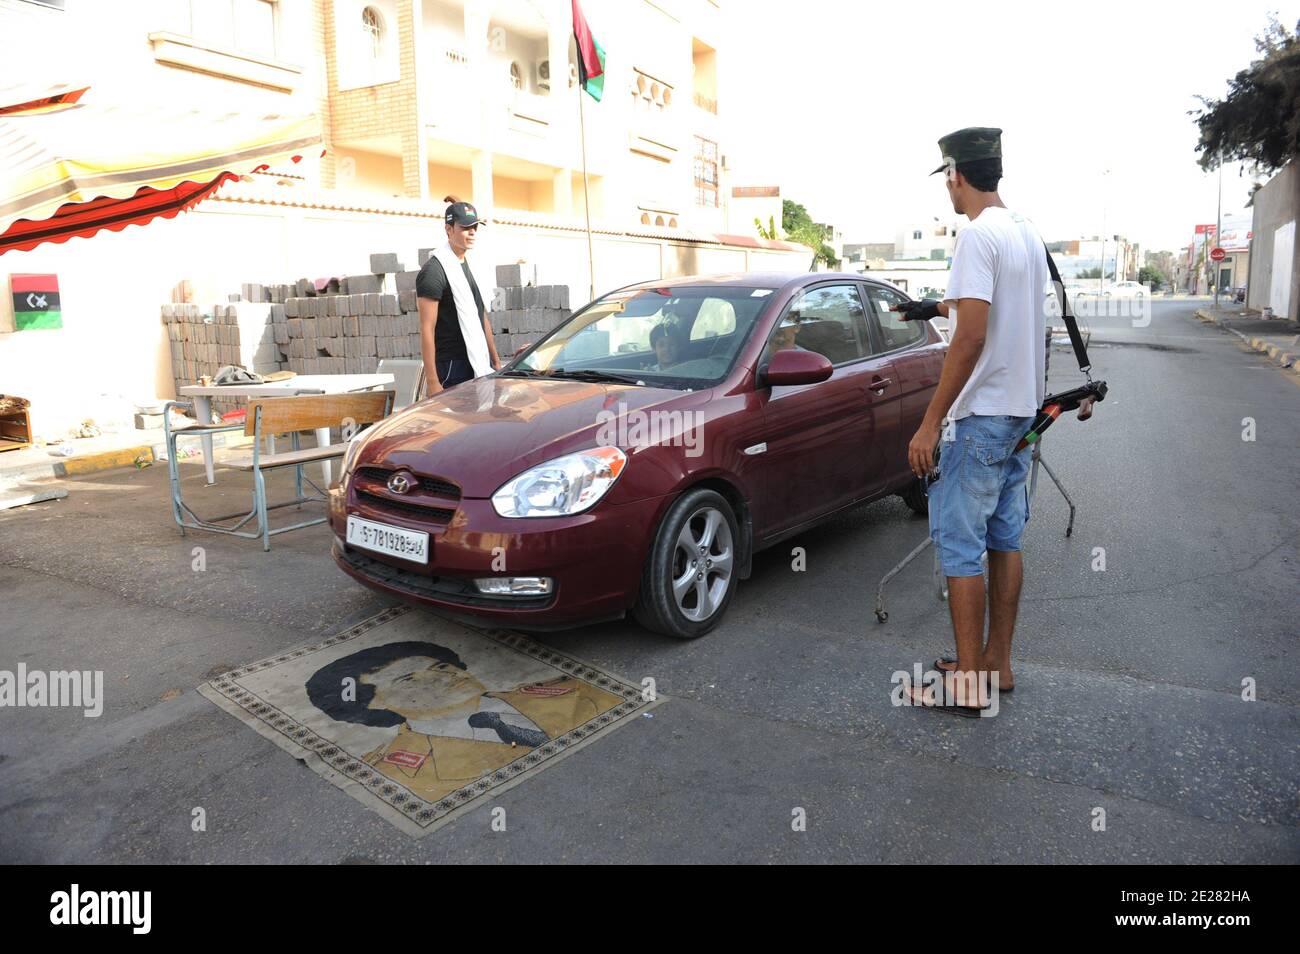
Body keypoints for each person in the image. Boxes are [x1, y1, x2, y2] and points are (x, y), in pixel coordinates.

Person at [893, 127, 1049, 717]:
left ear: (957, 173)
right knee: (1004, 540)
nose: (947, 192)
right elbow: (997, 311)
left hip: (981, 417)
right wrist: (934, 305)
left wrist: (930, 423)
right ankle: (995, 666)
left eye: (946, 179)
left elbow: (973, 335)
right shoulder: (1026, 232)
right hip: (1019, 414)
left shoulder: (977, 236)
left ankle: (967, 687)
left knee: (960, 546)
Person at [416, 196, 501, 394]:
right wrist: (433, 382)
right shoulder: (434, 271)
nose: (471, 233)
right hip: (452, 367)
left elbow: (481, 315)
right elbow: (427, 328)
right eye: (465, 227)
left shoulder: (471, 265)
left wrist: (496, 361)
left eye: (475, 227)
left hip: (479, 363)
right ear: (448, 229)